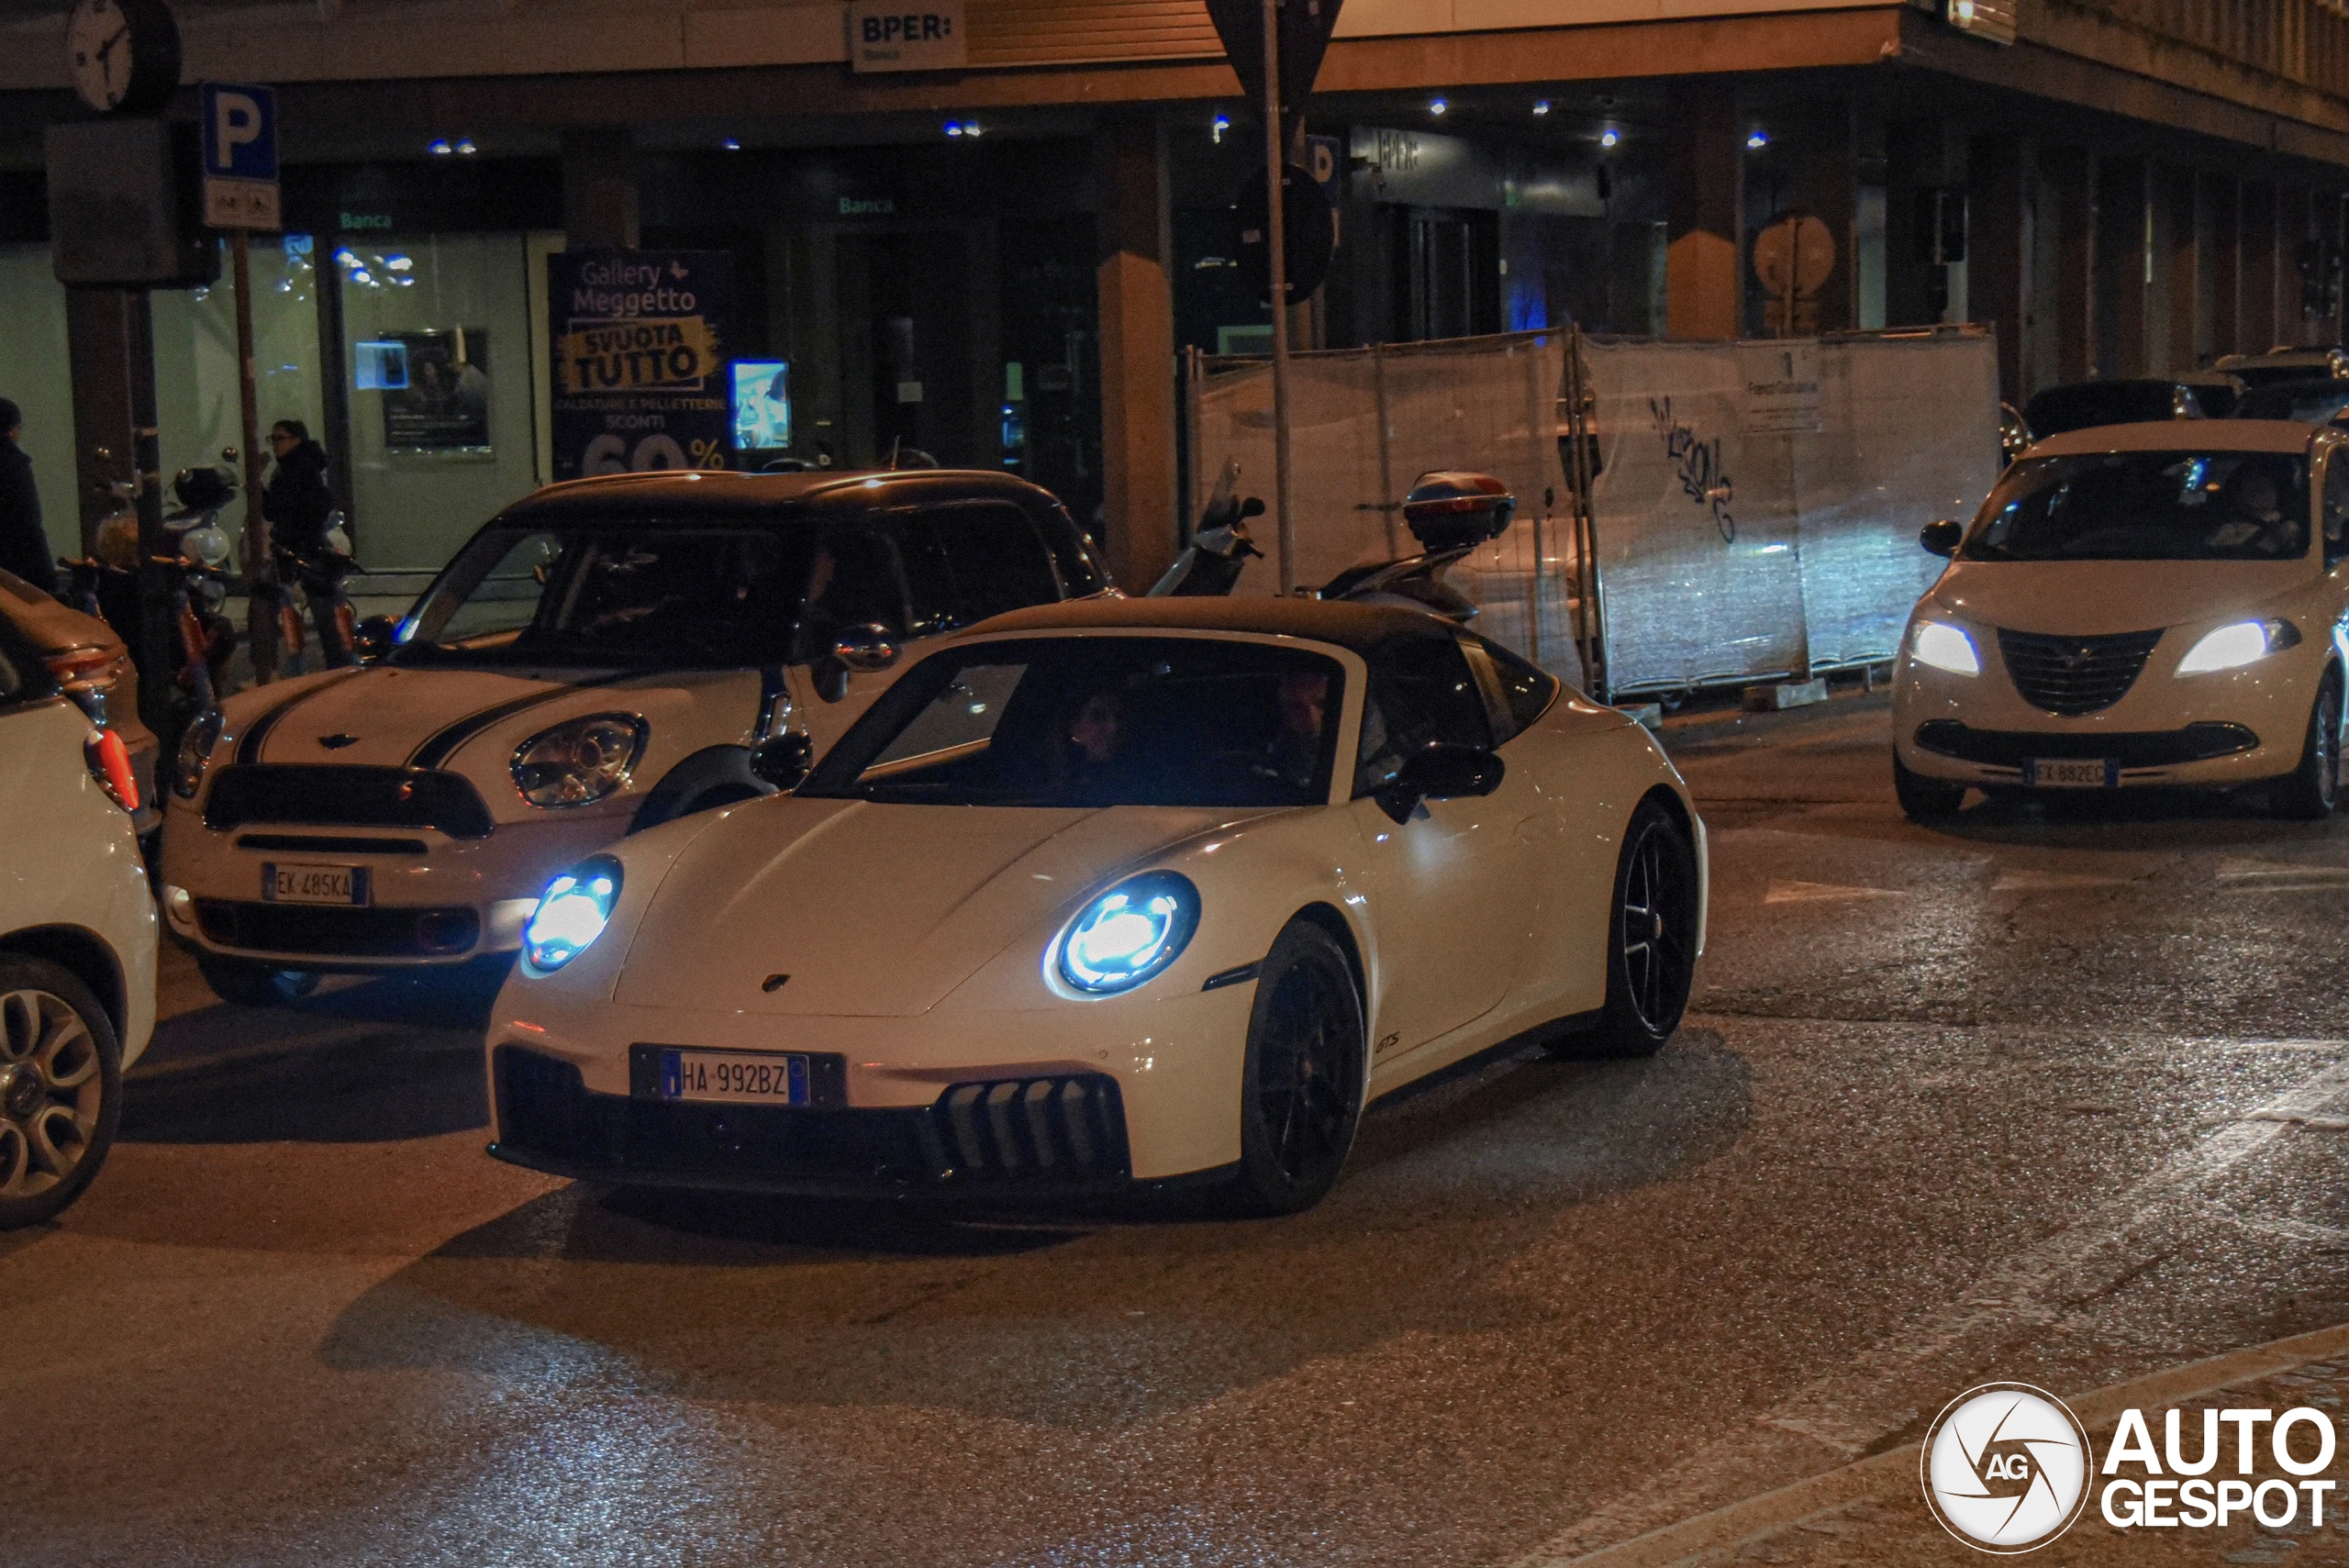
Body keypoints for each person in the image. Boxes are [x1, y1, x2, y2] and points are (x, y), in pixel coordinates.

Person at [0, 397, 58, 596]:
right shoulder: (14, 465)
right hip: (16, 570)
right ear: (12, 429)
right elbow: (28, 521)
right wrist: (46, 576)